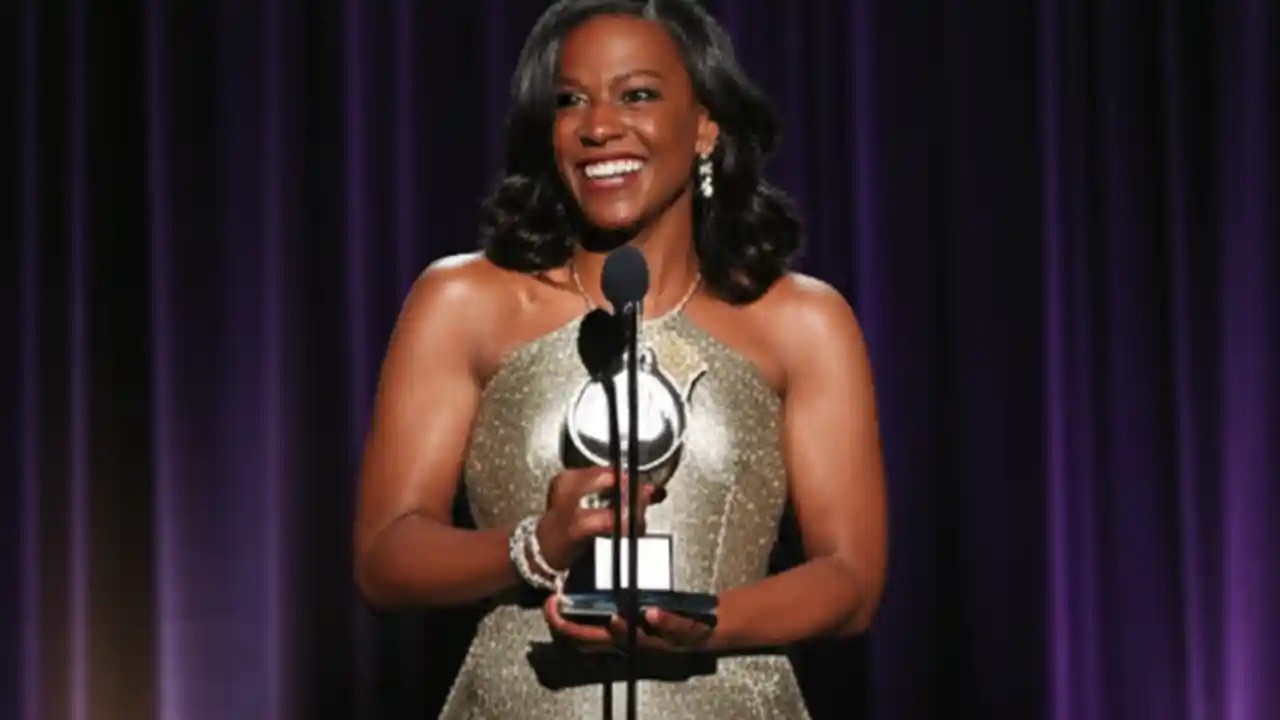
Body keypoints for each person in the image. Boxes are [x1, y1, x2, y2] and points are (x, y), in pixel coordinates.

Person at [353, 0, 887, 717]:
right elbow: (385, 557)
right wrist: (535, 546)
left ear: (705, 126)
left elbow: (850, 580)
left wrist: (703, 624)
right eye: (570, 100)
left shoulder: (802, 322)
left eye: (637, 95)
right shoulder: (462, 302)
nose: (598, 126)